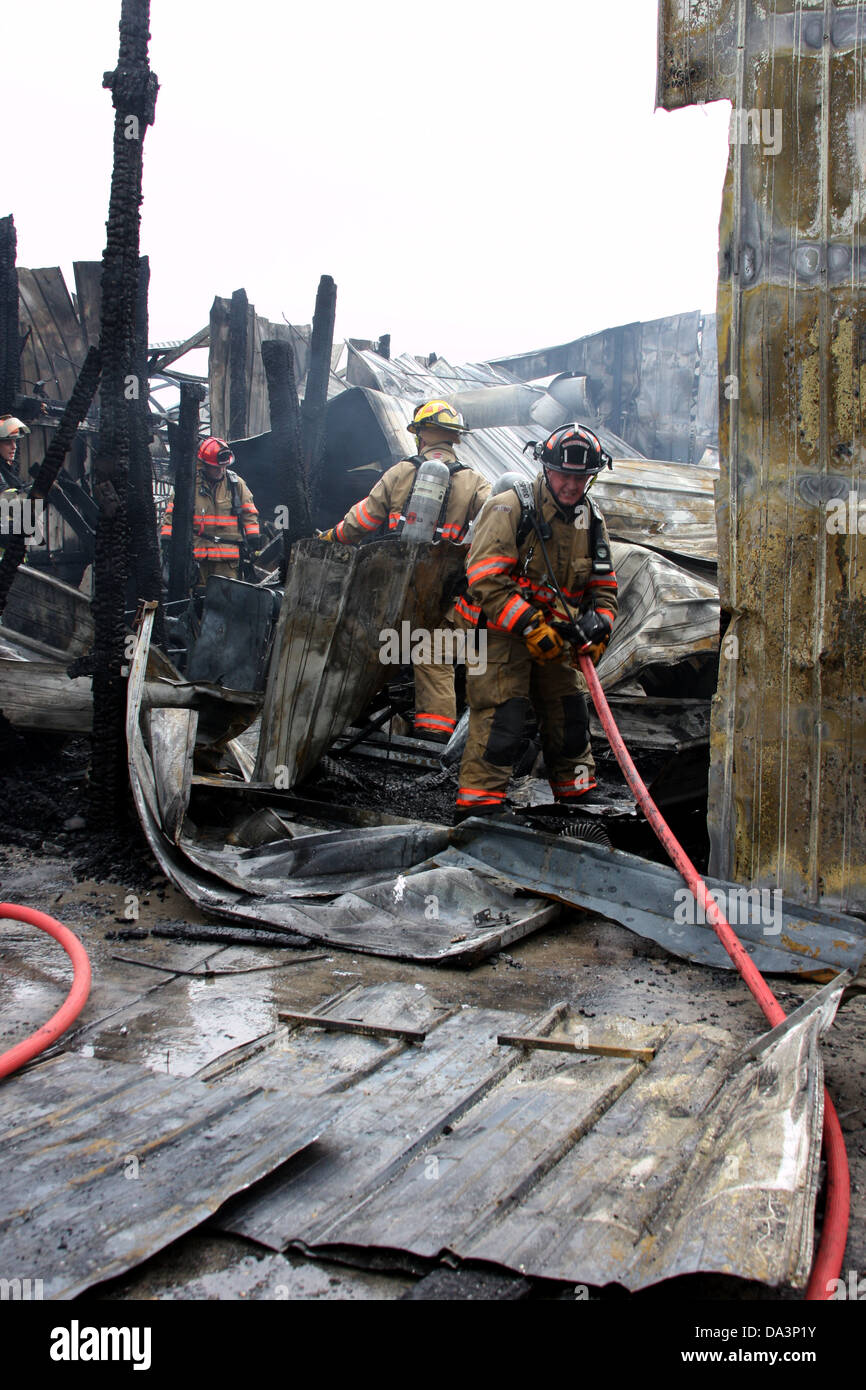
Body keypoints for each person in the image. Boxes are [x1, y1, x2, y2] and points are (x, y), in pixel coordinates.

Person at [453, 423, 618, 817]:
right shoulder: (510, 507)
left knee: (570, 710)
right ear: (545, 468)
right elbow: (485, 580)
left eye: (581, 477)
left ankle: (576, 794)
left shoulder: (591, 520)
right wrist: (529, 625)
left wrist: (600, 626)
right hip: (498, 633)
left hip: (555, 636)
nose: (571, 485)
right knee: (503, 714)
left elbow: (604, 588)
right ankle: (478, 808)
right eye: (564, 475)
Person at [320, 399, 490, 741]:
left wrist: (328, 539)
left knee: (371, 648)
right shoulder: (474, 481)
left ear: (422, 435)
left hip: (397, 590)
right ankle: (434, 737)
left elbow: (362, 520)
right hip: (446, 593)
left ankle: (345, 718)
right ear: (454, 438)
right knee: (436, 654)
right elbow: (496, 523)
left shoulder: (401, 472)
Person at [160, 436, 260, 591]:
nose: (221, 471)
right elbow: (172, 512)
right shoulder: (189, 484)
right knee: (198, 601)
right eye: (216, 467)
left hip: (227, 560)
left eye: (224, 467)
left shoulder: (235, 484)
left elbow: (249, 512)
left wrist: (253, 537)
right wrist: (167, 538)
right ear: (203, 464)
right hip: (199, 557)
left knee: (227, 599)